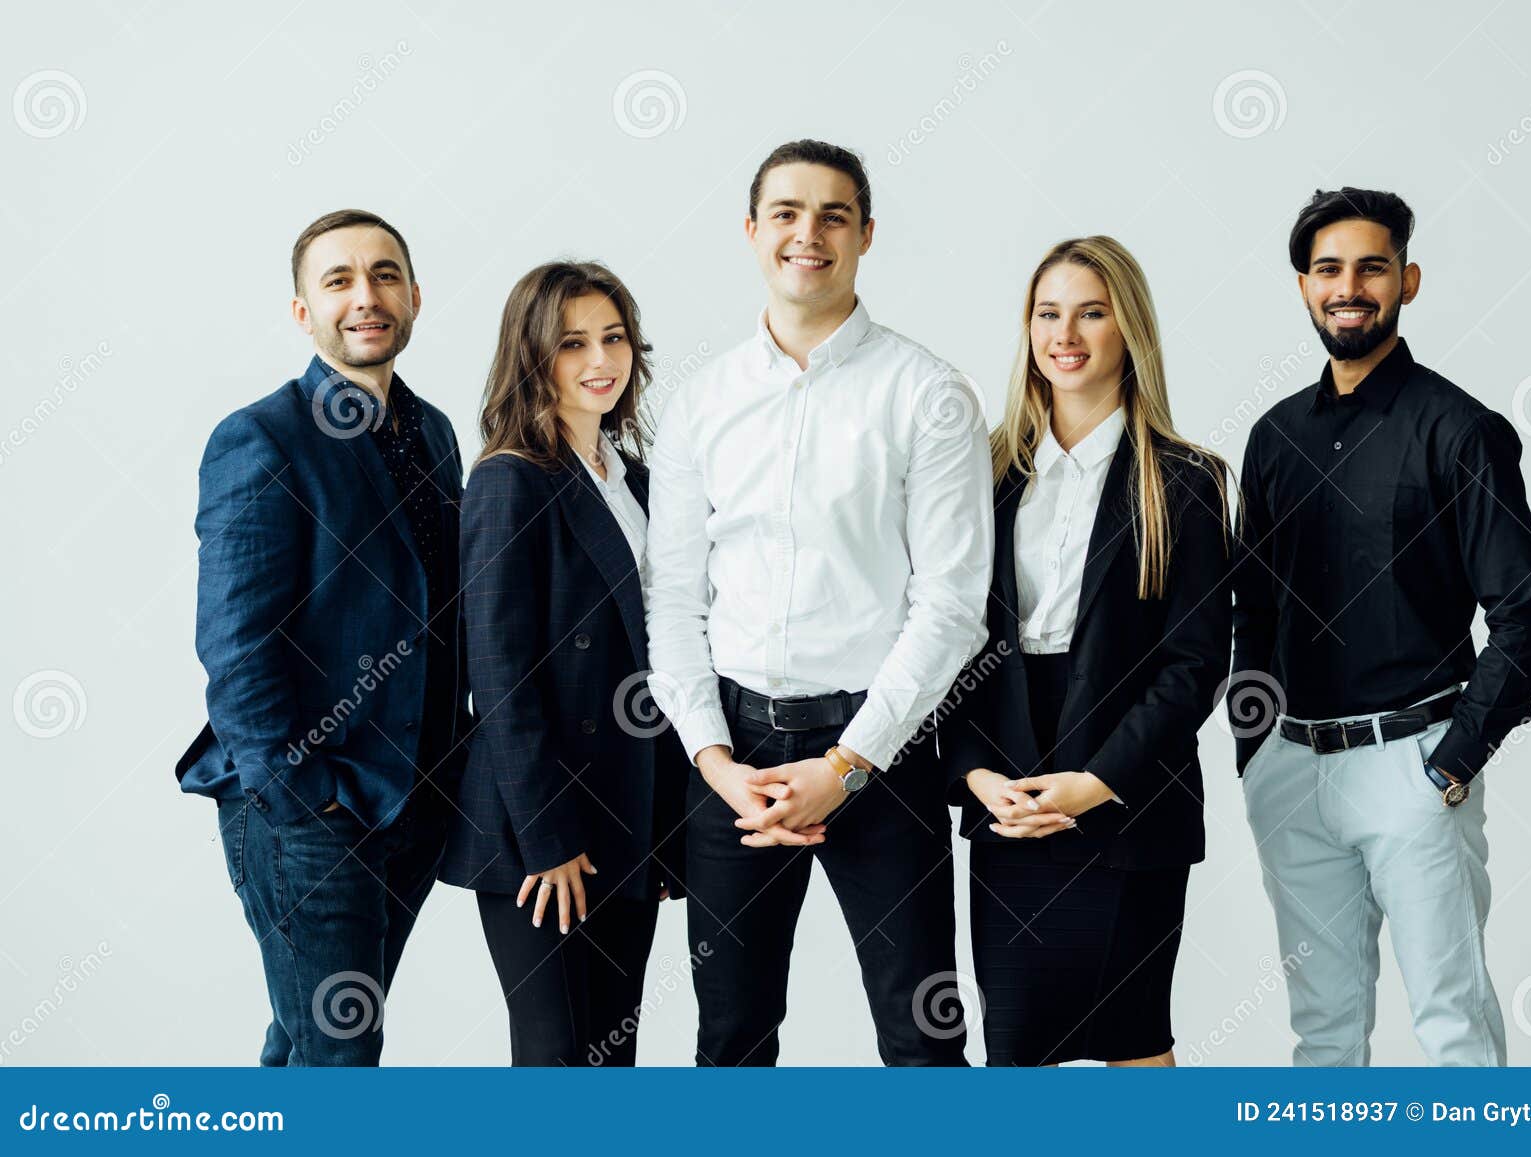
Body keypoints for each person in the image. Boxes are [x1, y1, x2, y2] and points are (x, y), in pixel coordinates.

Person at [643, 139, 993, 1065]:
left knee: (923, 1042)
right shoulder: (699, 401)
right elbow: (674, 599)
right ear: (752, 232)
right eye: (787, 214)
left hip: (882, 752)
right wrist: (715, 764)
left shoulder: (930, 393)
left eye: (834, 215)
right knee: (731, 1038)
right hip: (733, 759)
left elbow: (953, 606)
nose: (810, 235)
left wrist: (847, 764)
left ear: (867, 235)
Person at [1230, 187, 1531, 1066]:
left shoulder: (1459, 430)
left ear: (1407, 281)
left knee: (1452, 1025)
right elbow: (1252, 611)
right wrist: (1254, 751)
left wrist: (1448, 767)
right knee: (1323, 1033)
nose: (1350, 286)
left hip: (1412, 765)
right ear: (1303, 286)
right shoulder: (1273, 439)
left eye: (1372, 267)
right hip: (1292, 775)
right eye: (1329, 269)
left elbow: (1527, 618)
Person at [176, 209, 469, 1065]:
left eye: (384, 276)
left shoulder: (437, 433)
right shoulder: (262, 437)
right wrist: (305, 789)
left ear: (414, 297)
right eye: (338, 280)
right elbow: (235, 647)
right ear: (304, 312)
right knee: (340, 1055)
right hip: (309, 808)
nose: (364, 296)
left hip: (411, 803)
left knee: (310, 1041)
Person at [942, 236, 1231, 1067]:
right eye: (1047, 313)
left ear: (1128, 328)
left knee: (1136, 1041)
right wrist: (977, 776)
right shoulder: (982, 475)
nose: (1065, 333)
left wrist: (1096, 782)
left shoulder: (1186, 480)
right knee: (1016, 1049)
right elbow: (945, 647)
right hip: (1009, 796)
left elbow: (1194, 665)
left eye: (1091, 312)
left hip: (1129, 800)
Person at [439, 261, 686, 1066]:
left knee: (613, 1057)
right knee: (552, 1059)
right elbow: (500, 674)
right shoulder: (509, 479)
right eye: (572, 342)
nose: (599, 360)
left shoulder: (641, 479)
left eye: (613, 337)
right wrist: (548, 836)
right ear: (532, 355)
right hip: (537, 828)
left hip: (629, 810)